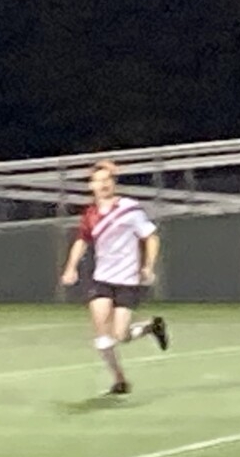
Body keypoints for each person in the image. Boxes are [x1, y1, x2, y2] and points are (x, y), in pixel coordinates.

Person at [59, 160, 168, 395]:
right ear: (92, 186)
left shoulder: (129, 208)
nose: (104, 184)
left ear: (113, 183)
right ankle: (119, 380)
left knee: (121, 335)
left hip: (127, 280)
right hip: (102, 280)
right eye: (99, 180)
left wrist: (148, 266)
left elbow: (151, 237)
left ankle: (150, 327)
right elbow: (82, 240)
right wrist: (71, 267)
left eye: (108, 179)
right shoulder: (90, 215)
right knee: (102, 335)